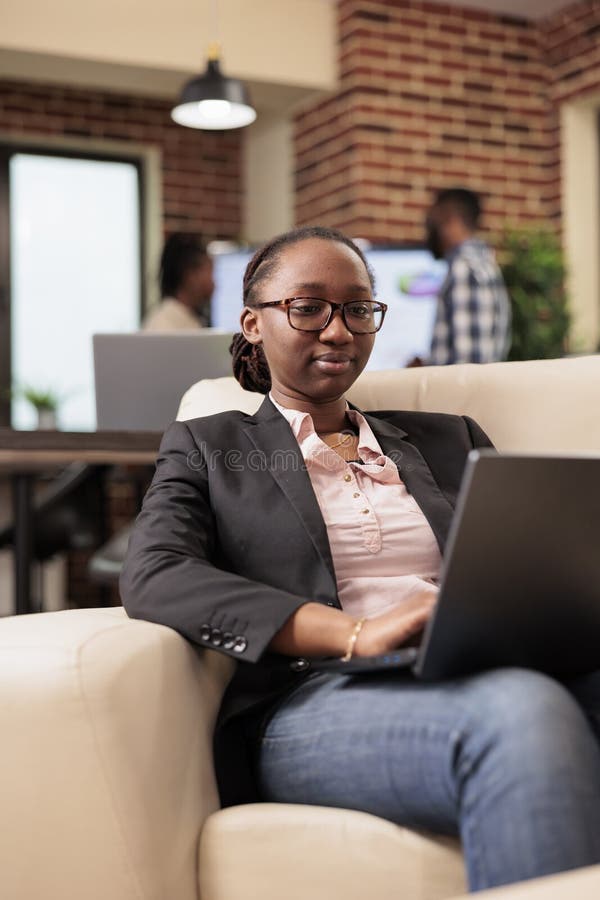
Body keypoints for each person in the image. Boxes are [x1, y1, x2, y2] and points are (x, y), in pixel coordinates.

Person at [121, 225, 600, 893]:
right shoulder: (210, 446)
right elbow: (155, 574)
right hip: (318, 697)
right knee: (517, 713)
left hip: (476, 660)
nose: (339, 331)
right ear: (252, 322)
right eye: (309, 307)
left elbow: (536, 555)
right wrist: (353, 632)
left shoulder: (448, 437)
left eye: (358, 308)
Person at [418, 187, 511, 366]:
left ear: (448, 219)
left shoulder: (464, 268)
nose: (428, 231)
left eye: (432, 221)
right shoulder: (482, 264)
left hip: (457, 394)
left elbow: (467, 365)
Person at [142, 232, 215, 331]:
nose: (214, 281)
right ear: (190, 275)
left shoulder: (187, 318)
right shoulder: (166, 326)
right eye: (210, 271)